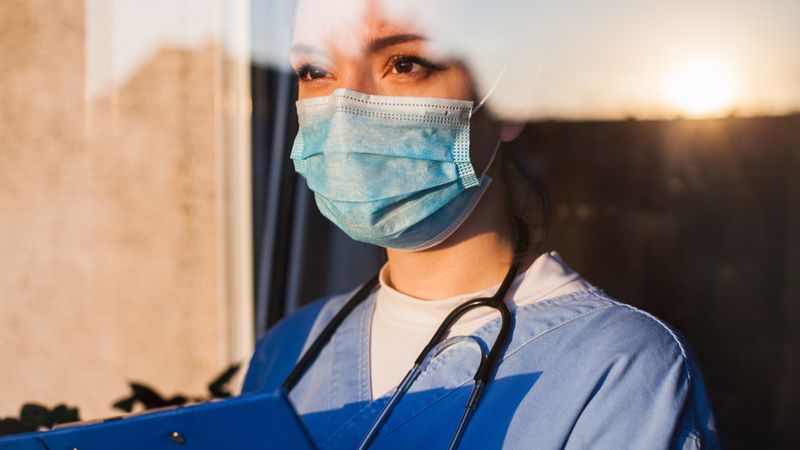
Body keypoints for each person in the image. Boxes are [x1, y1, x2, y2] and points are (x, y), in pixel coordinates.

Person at [242, 1, 721, 448]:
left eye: (405, 63)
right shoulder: (285, 354)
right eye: (316, 71)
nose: (346, 108)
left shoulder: (618, 372)